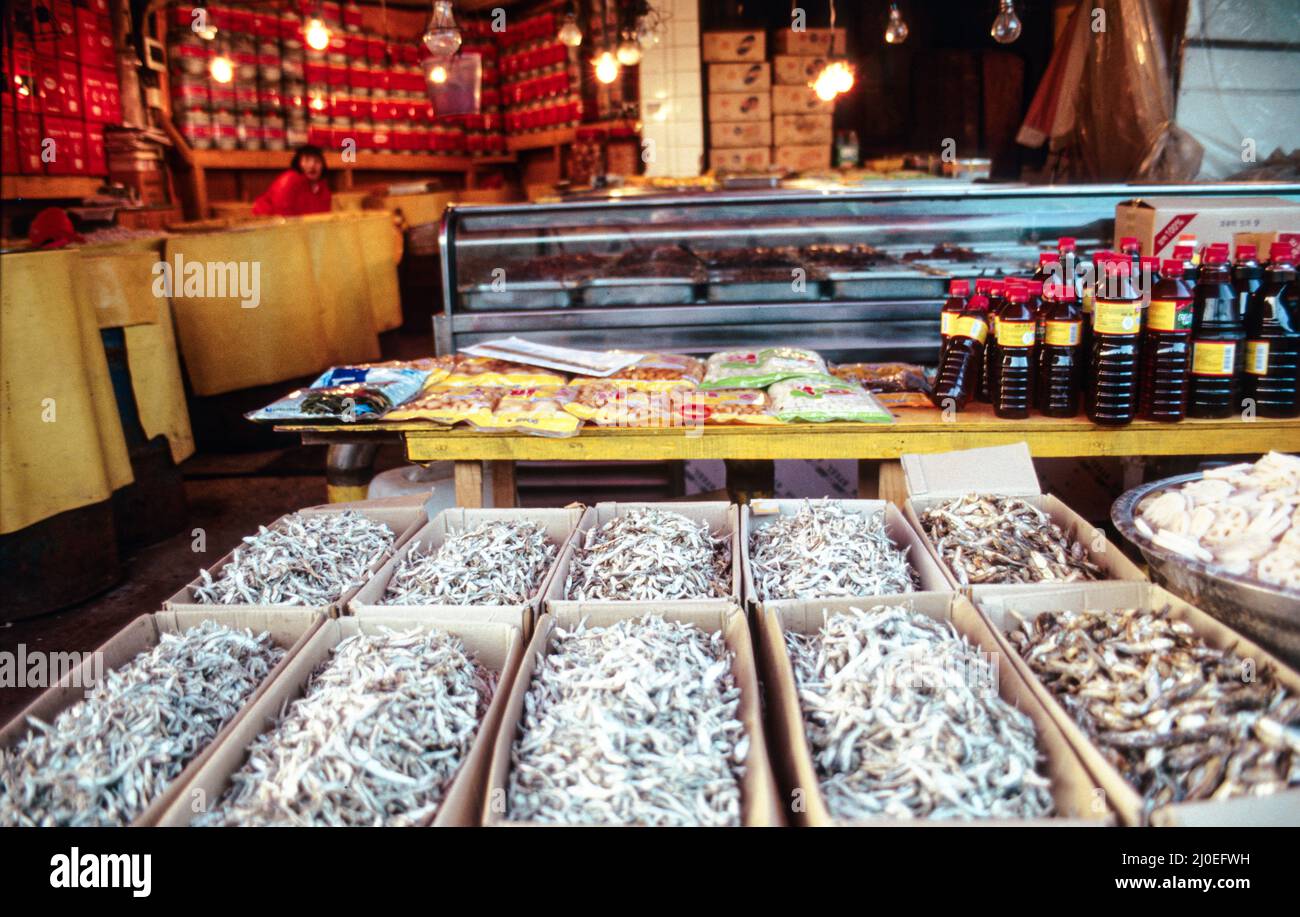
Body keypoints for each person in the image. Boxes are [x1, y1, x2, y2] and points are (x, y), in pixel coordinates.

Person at [250, 145, 333, 216]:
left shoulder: (323, 188)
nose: (312, 165)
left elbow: (322, 217)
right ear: (298, 163)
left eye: (317, 161)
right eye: (307, 160)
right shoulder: (288, 182)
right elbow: (284, 217)